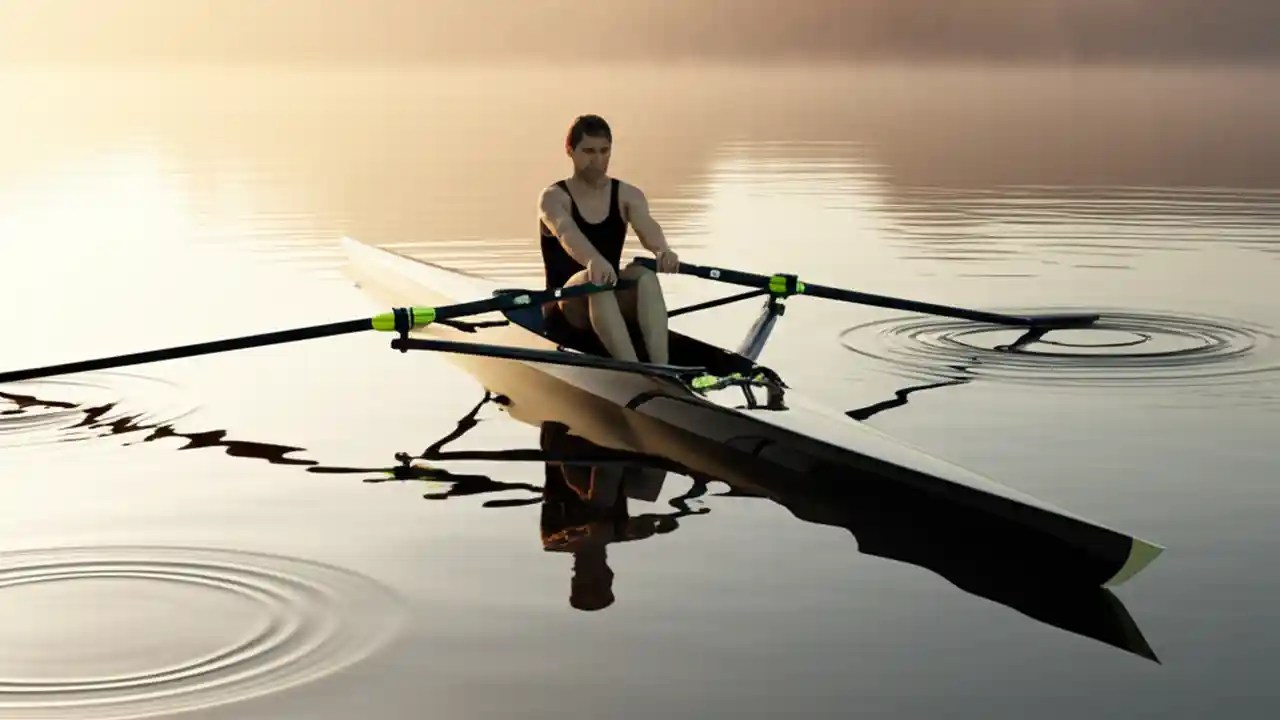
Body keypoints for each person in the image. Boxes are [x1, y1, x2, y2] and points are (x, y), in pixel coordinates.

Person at [537, 114, 680, 365]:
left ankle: (662, 368)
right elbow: (566, 232)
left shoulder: (628, 195)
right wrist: (593, 259)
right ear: (569, 150)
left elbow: (647, 226)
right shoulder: (553, 198)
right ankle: (633, 371)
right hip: (565, 308)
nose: (598, 160)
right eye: (589, 151)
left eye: (604, 151)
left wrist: (662, 251)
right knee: (597, 279)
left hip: (607, 298)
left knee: (645, 276)